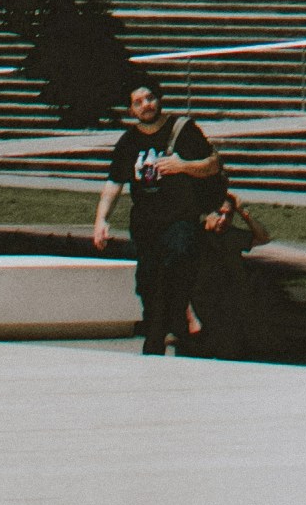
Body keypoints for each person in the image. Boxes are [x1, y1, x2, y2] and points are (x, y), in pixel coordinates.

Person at [94, 76, 226, 356]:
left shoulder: (183, 129)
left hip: (180, 219)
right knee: (148, 282)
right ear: (131, 110)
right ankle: (167, 332)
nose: (146, 105)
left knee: (177, 261)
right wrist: (101, 220)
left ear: (159, 99)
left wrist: (184, 166)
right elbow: (114, 183)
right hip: (145, 225)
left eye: (149, 98)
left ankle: (170, 330)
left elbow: (214, 164)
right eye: (138, 102)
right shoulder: (128, 142)